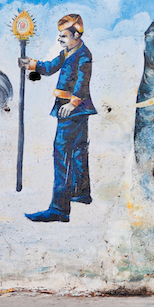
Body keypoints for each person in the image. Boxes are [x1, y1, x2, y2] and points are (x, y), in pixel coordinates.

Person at [19, 14, 97, 222]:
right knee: (79, 150)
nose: (60, 39)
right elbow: (50, 67)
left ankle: (59, 209)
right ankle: (81, 193)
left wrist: (73, 103)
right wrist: (32, 64)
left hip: (71, 109)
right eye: (59, 35)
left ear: (76, 35)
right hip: (77, 109)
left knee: (62, 153)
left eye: (64, 35)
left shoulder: (83, 55)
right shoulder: (69, 52)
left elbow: (83, 80)